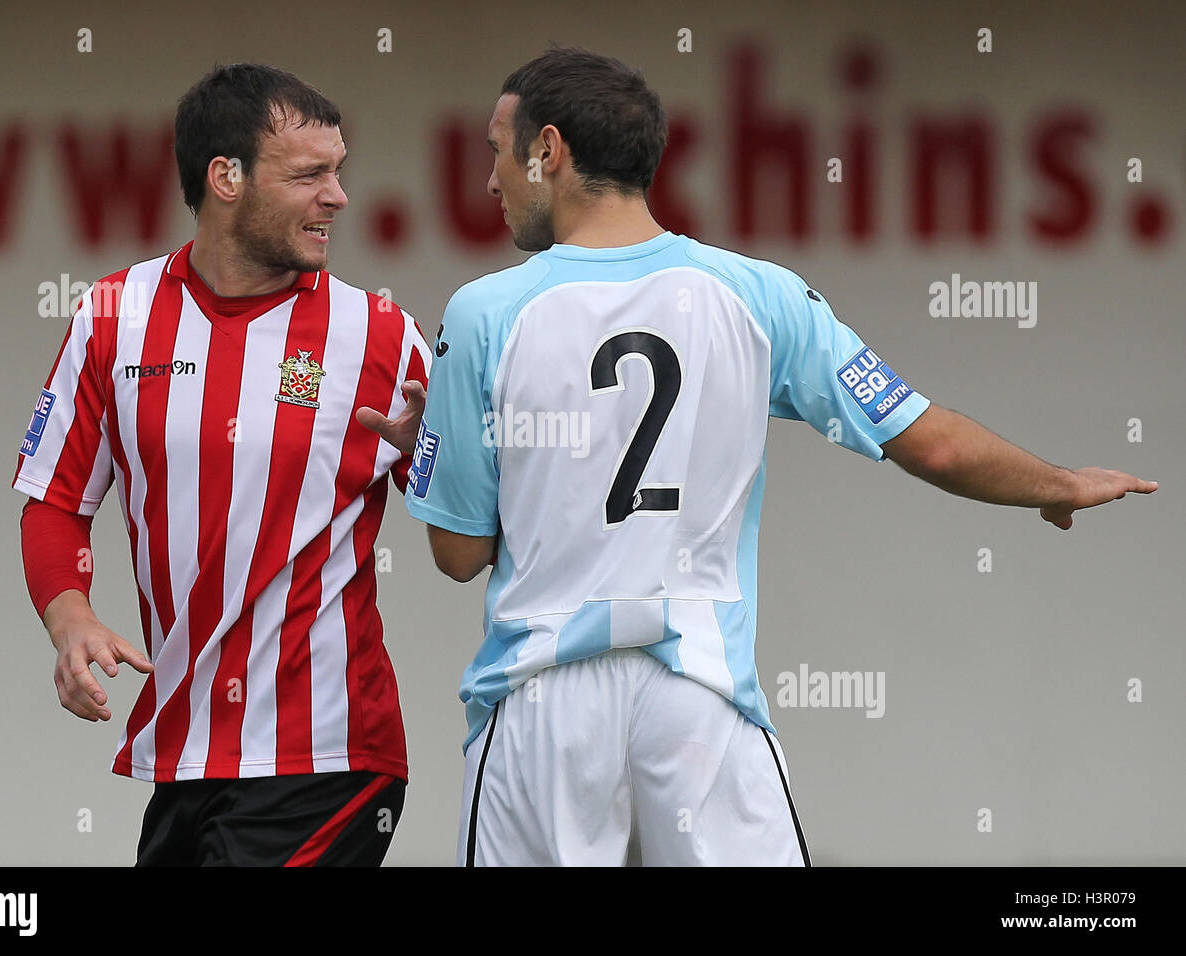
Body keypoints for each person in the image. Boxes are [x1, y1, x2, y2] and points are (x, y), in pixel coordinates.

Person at [404, 47, 1158, 866]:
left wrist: (427, 458)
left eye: (496, 151)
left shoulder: (485, 312)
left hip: (540, 705)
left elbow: (457, 553)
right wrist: (1057, 483)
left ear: (547, 150)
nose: (490, 181)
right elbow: (931, 442)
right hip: (699, 698)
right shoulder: (759, 295)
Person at [13, 63, 429, 866]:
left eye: (339, 171)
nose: (338, 196)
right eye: (310, 174)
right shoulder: (113, 316)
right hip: (186, 755)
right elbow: (55, 500)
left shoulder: (377, 332)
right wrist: (71, 622)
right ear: (225, 178)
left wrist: (437, 463)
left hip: (328, 755)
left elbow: (473, 533)